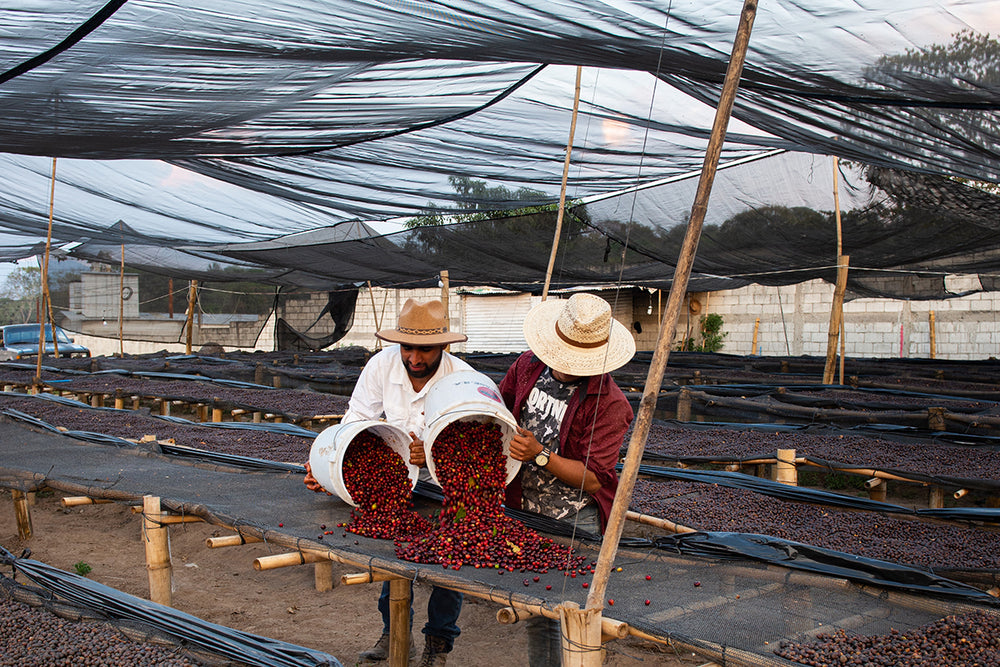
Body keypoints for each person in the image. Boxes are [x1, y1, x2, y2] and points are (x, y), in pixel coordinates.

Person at [304, 298, 471, 667]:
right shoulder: (380, 365)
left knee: (447, 566)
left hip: (447, 484)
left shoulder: (463, 379)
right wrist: (329, 465)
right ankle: (393, 633)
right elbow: (357, 419)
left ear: (443, 346)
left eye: (424, 349)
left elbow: (475, 441)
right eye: (407, 347)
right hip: (399, 482)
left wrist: (433, 452)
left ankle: (438, 644)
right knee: (396, 555)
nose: (414, 357)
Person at [498, 292, 636, 667]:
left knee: (573, 617)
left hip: (574, 519)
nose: (565, 366)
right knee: (537, 613)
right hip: (524, 509)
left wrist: (539, 455)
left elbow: (593, 480)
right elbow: (500, 405)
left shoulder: (610, 404)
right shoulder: (528, 366)